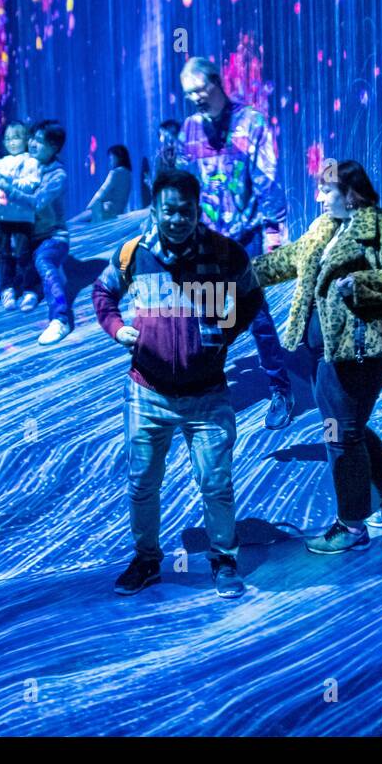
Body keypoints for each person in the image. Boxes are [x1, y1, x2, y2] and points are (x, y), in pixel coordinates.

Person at [92, 168, 266, 598]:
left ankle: (224, 560)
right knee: (142, 482)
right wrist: (117, 328)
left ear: (196, 209)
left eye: (185, 211)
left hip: (207, 394)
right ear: (154, 209)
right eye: (168, 210)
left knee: (216, 483)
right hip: (145, 392)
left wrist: (224, 332)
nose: (176, 219)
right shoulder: (132, 254)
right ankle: (147, 560)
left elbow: (251, 297)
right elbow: (102, 292)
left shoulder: (225, 253)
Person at [252, 161, 382, 553]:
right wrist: (238, 274)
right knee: (347, 425)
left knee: (341, 432)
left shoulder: (381, 227)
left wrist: (365, 284)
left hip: (365, 349)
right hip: (327, 351)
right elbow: (289, 258)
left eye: (326, 190)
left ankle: (351, 526)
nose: (318, 197)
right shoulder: (324, 230)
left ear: (350, 193)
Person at [176, 57, 294, 431]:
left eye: (199, 89)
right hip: (207, 238)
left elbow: (266, 176)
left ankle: (280, 388)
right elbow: (184, 182)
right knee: (209, 314)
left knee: (255, 315)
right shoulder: (191, 129)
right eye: (188, 92)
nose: (194, 97)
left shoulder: (251, 122)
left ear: (215, 83)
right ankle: (213, 390)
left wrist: (274, 229)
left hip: (246, 234)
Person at [4, 120, 73, 345]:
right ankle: (47, 278)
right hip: (28, 239)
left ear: (53, 147)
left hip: (53, 237)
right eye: (31, 138)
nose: (32, 143)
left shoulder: (57, 175)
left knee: (43, 261)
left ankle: (60, 319)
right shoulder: (26, 164)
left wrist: (6, 187)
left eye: (39, 141)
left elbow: (36, 203)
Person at [0, 121, 39, 310]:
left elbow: (30, 184)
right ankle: (8, 290)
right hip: (0, 216)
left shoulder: (31, 161)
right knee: (4, 254)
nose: (11, 142)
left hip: (22, 216)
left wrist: (5, 180)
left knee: (24, 253)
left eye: (16, 137)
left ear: (26, 139)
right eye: (7, 138)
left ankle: (30, 289)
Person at [71, 144, 132, 223]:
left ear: (119, 157)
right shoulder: (128, 173)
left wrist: (90, 207)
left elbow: (103, 191)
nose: (110, 161)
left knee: (73, 223)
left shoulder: (115, 173)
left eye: (111, 158)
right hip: (119, 211)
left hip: (106, 210)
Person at [139, 120, 181, 211]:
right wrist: (150, 183)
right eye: (164, 137)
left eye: (173, 135)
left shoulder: (186, 156)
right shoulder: (159, 158)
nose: (169, 141)